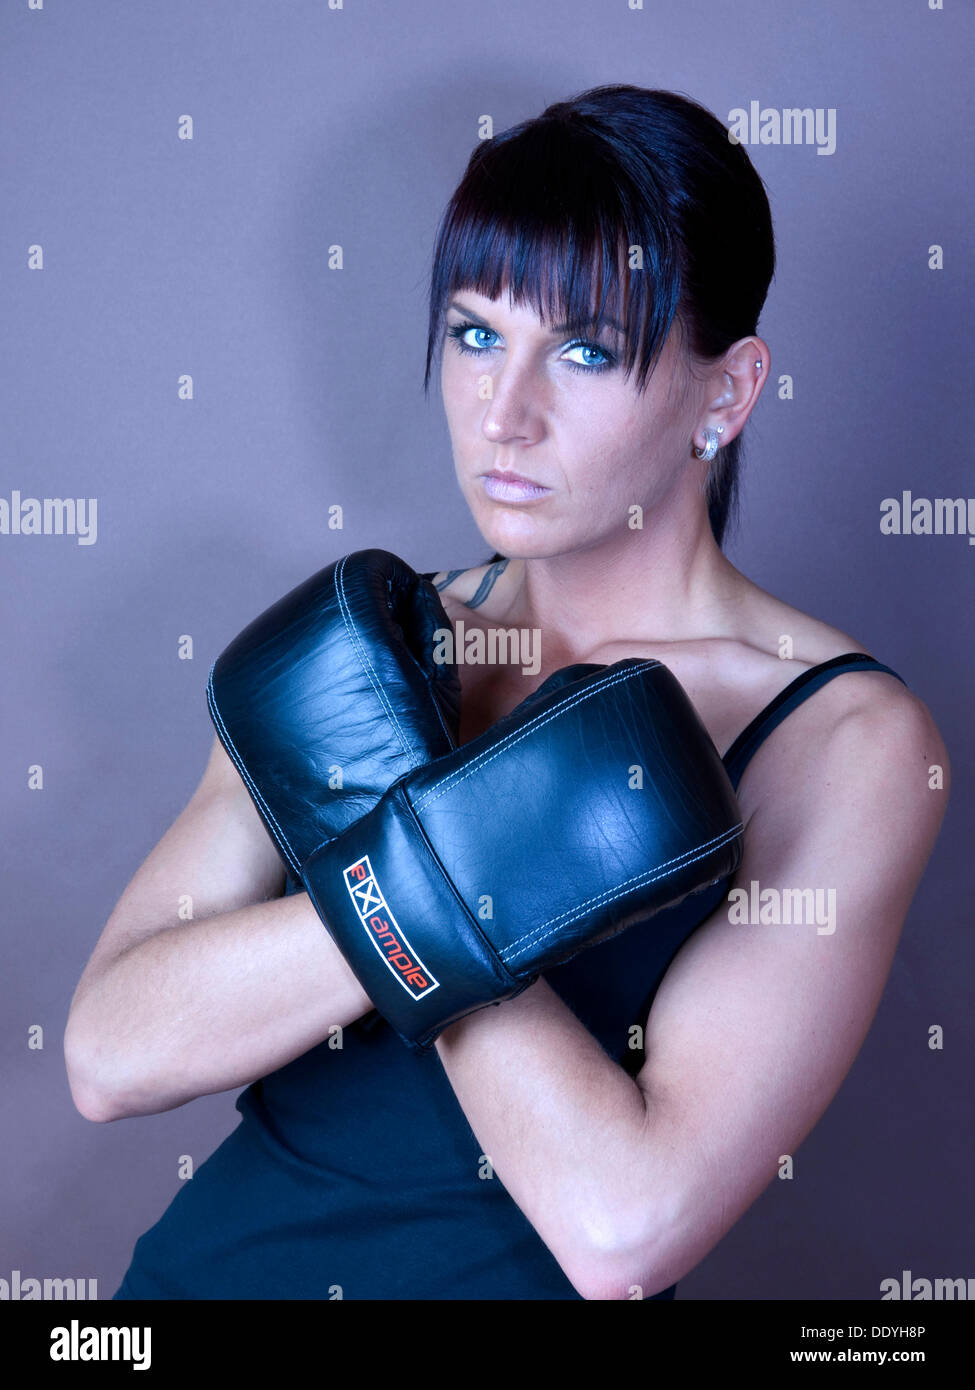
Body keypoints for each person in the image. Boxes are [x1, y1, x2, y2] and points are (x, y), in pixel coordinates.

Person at [65, 84, 948, 1301]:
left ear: (727, 395)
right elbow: (111, 1052)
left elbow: (623, 1228)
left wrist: (397, 855)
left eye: (584, 351)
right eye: (478, 333)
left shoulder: (842, 737)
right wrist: (410, 831)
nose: (504, 412)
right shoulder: (368, 649)